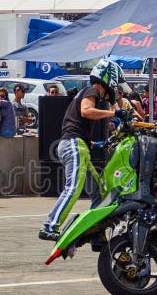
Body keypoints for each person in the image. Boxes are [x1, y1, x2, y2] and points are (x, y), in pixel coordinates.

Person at [40, 59, 124, 240]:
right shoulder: (91, 90)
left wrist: (97, 143)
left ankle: (96, 235)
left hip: (79, 145)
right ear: (109, 78)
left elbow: (78, 122)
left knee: (99, 192)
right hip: (74, 145)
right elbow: (86, 111)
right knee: (73, 188)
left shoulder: (87, 93)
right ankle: (49, 225)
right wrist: (114, 113)